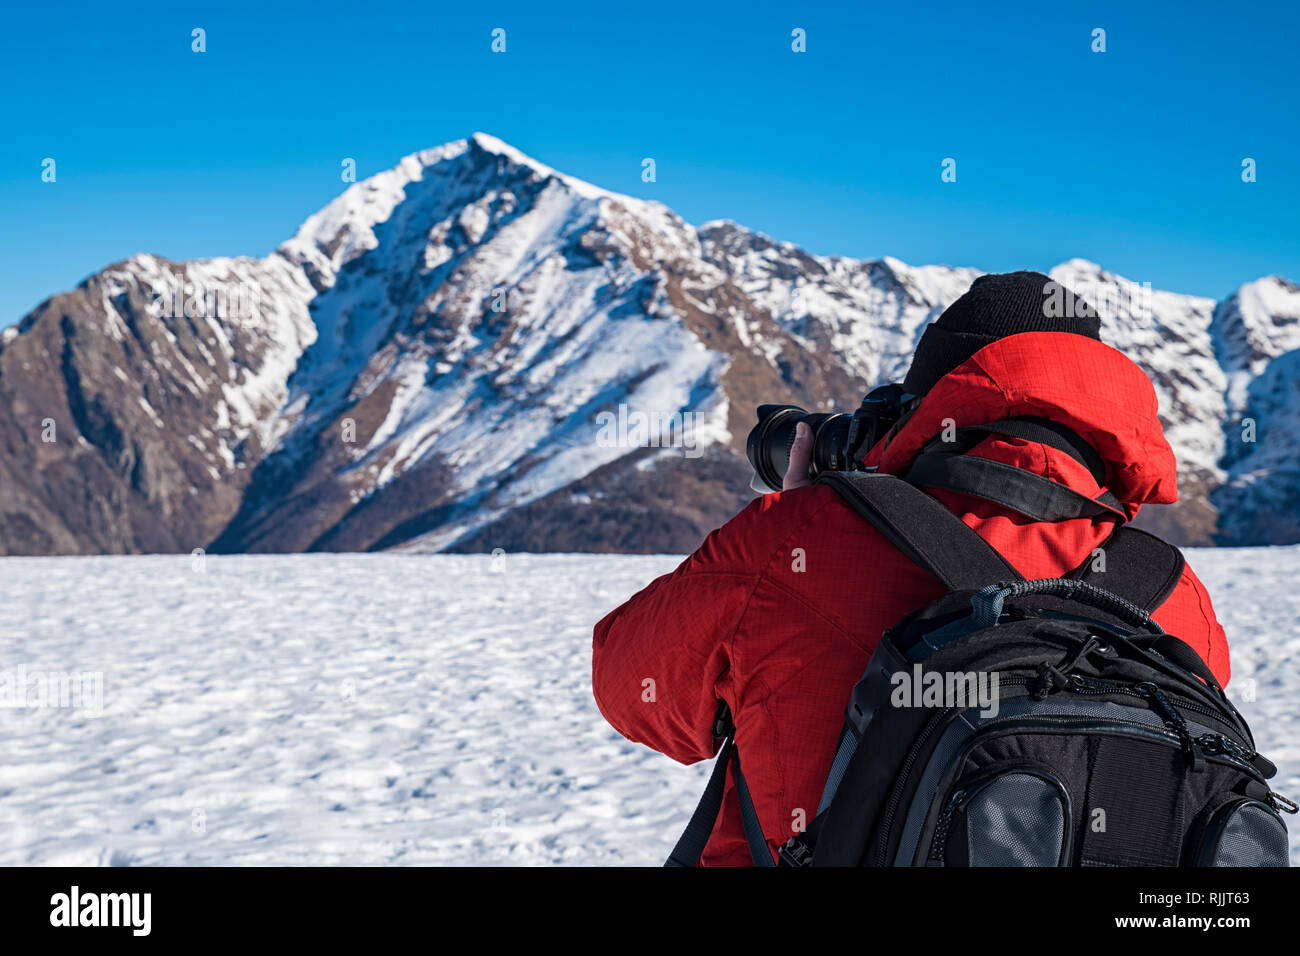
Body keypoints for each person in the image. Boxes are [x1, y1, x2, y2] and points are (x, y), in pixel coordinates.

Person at [591, 271, 1230, 866]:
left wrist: (794, 513)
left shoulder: (796, 539)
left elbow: (631, 691)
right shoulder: (1176, 596)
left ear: (927, 404)